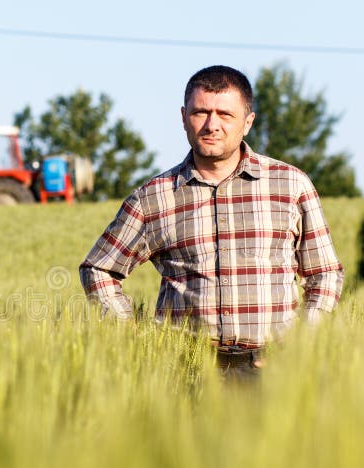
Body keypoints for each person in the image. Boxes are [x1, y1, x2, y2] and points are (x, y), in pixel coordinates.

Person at [79, 65, 343, 378]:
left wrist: (301, 344)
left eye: (225, 114)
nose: (211, 125)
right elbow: (99, 268)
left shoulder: (290, 185)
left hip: (274, 374)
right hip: (184, 374)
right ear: (183, 117)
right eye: (200, 112)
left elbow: (324, 273)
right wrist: (136, 337)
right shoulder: (153, 196)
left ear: (247, 123)